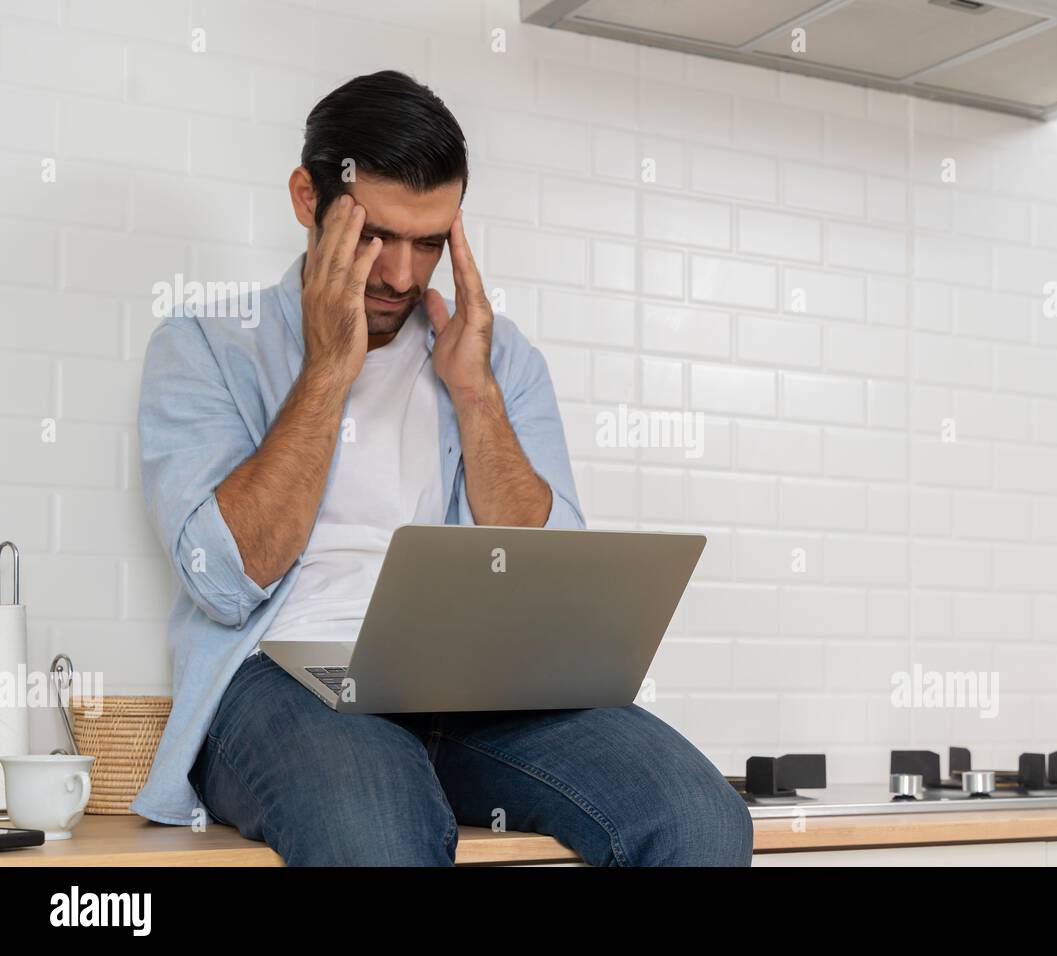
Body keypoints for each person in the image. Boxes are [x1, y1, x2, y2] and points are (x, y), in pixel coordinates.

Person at [131, 70, 754, 866]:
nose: (399, 274)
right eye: (373, 237)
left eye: (429, 243)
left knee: (701, 820)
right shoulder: (207, 346)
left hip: (479, 692)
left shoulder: (497, 360)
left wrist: (476, 394)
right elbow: (224, 578)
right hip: (289, 682)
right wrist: (326, 371)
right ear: (305, 198)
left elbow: (557, 580)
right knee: (375, 841)